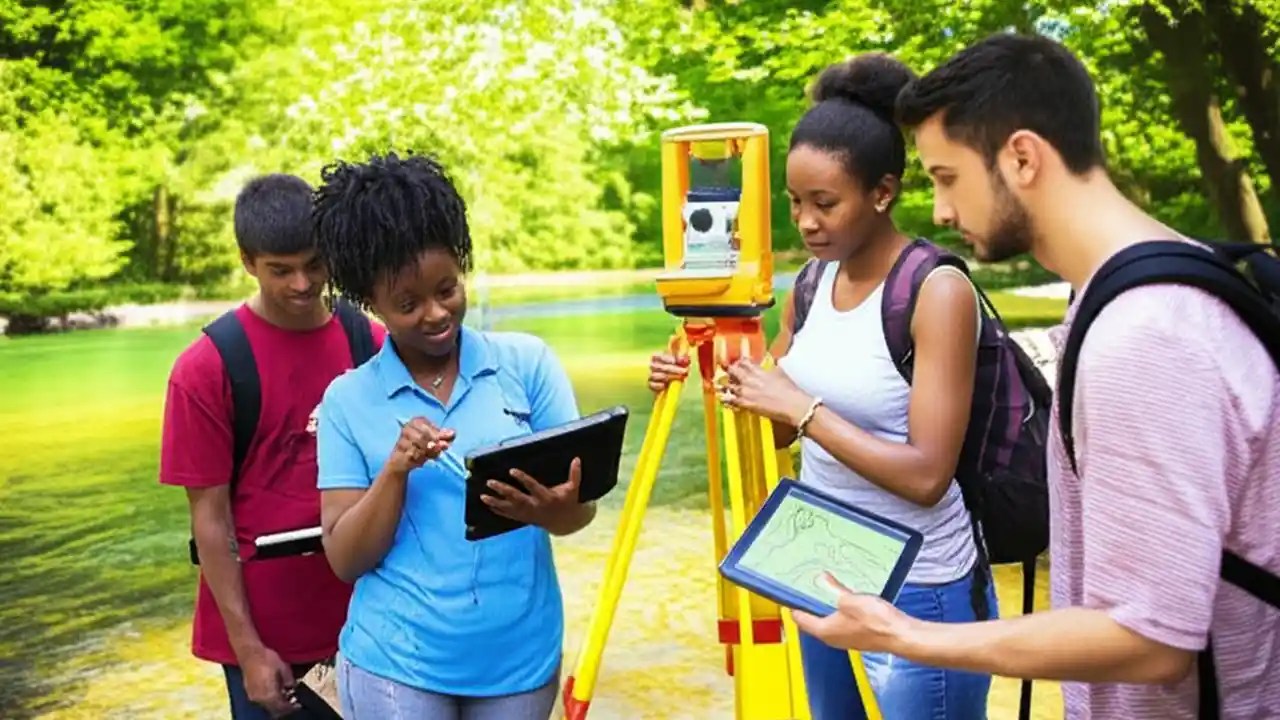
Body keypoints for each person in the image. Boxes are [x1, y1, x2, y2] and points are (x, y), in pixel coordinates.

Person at [792, 32, 1280, 720]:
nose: (941, 211)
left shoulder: (1144, 335)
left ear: (1022, 158)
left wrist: (906, 636)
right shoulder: (1131, 289)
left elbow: (1149, 640)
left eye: (947, 177)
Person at [649, 54, 997, 719]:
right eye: (794, 202)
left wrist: (804, 410)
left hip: (918, 589)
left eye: (824, 203)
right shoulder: (811, 284)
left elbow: (928, 475)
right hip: (824, 572)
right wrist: (703, 369)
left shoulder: (935, 290)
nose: (805, 221)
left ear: (883, 192)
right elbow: (776, 425)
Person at [311, 151, 597, 720]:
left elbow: (579, 514)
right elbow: (344, 559)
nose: (437, 313)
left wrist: (552, 509)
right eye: (408, 304)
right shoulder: (347, 400)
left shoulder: (528, 365)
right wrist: (395, 471)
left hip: (521, 662)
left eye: (448, 289)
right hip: (396, 663)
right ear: (370, 303)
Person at [159, 173, 386, 719]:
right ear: (247, 262)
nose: (303, 283)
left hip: (372, 626)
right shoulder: (207, 368)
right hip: (268, 640)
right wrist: (249, 652)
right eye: (280, 270)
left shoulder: (370, 343)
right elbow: (210, 522)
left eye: (314, 264)